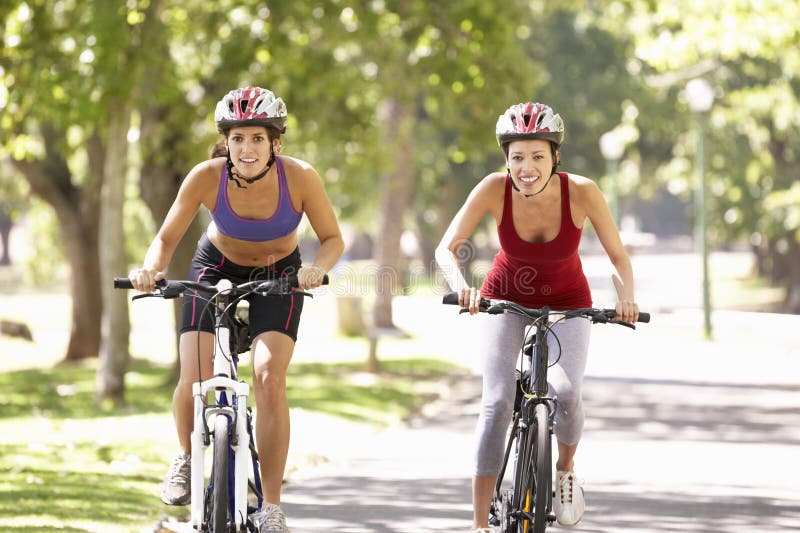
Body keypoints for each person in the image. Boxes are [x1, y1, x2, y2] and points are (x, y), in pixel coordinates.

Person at [130, 86, 344, 532]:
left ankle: (270, 505)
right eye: (238, 138)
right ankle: (188, 458)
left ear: (275, 144)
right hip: (214, 267)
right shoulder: (206, 177)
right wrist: (151, 269)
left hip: (279, 273)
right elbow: (167, 239)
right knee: (195, 374)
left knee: (268, 378)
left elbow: (332, 239)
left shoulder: (301, 177)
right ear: (226, 141)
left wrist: (317, 270)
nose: (247, 148)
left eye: (257, 139)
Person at [435, 102, 638, 531]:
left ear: (555, 157)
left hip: (569, 302)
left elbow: (618, 256)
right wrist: (462, 286)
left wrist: (627, 298)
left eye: (537, 156)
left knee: (567, 394)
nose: (526, 167)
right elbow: (446, 247)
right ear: (506, 159)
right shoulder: (493, 188)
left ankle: (564, 471)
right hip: (504, 298)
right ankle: (479, 525)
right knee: (495, 401)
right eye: (517, 157)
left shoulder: (582, 192)